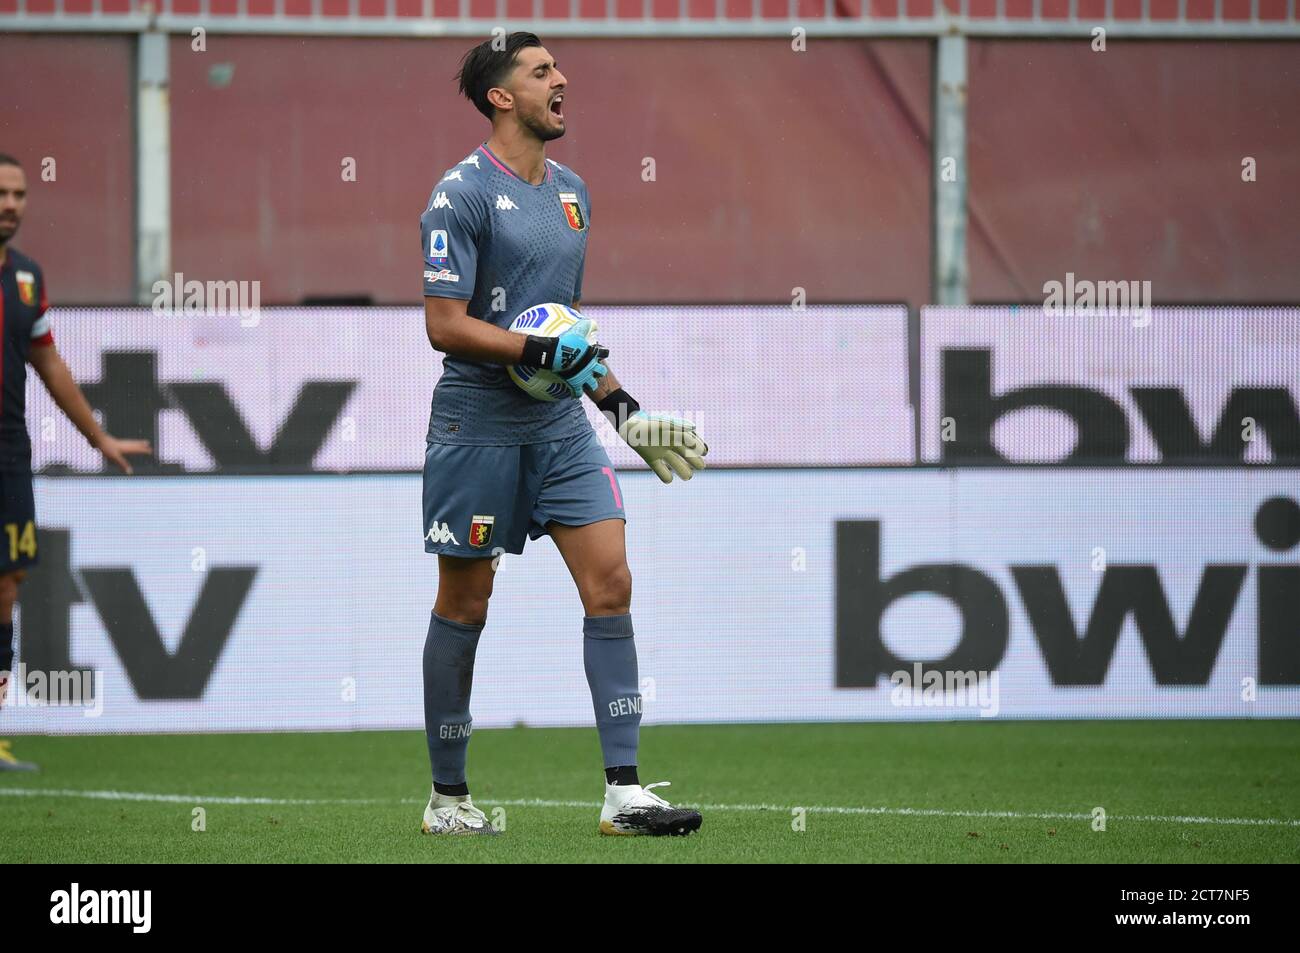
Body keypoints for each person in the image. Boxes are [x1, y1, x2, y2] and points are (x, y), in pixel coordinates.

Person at [417, 35, 708, 836]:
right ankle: (448, 799)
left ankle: (624, 793)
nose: (562, 80)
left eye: (558, 68)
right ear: (500, 97)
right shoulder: (459, 195)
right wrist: (536, 349)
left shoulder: (574, 193)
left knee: (610, 580)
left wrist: (624, 410)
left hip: (560, 426)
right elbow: (445, 326)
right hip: (474, 429)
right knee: (465, 603)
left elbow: (566, 332)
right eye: (541, 71)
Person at [0, 153, 152, 769]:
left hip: (9, 453)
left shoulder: (27, 279)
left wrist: (100, 438)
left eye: (19, 193)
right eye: (1, 192)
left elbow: (50, 363)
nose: (11, 203)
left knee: (7, 585)